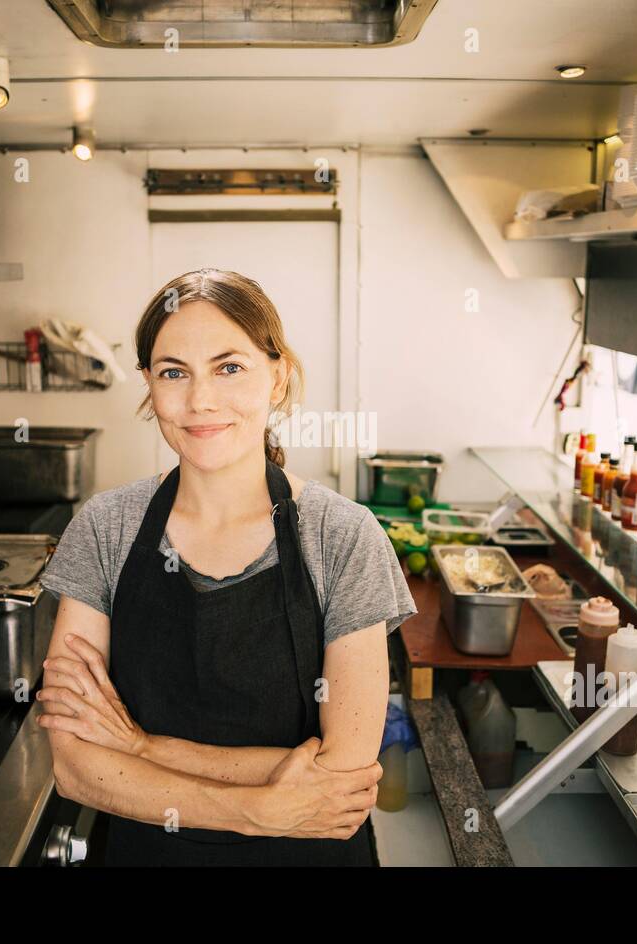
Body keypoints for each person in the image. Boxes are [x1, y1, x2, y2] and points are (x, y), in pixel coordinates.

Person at [36, 267, 416, 865]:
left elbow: (341, 777)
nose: (199, 400)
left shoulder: (342, 537)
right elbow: (75, 767)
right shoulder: (105, 527)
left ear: (278, 376)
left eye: (229, 367)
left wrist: (139, 746)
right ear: (148, 384)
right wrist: (256, 808)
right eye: (173, 372)